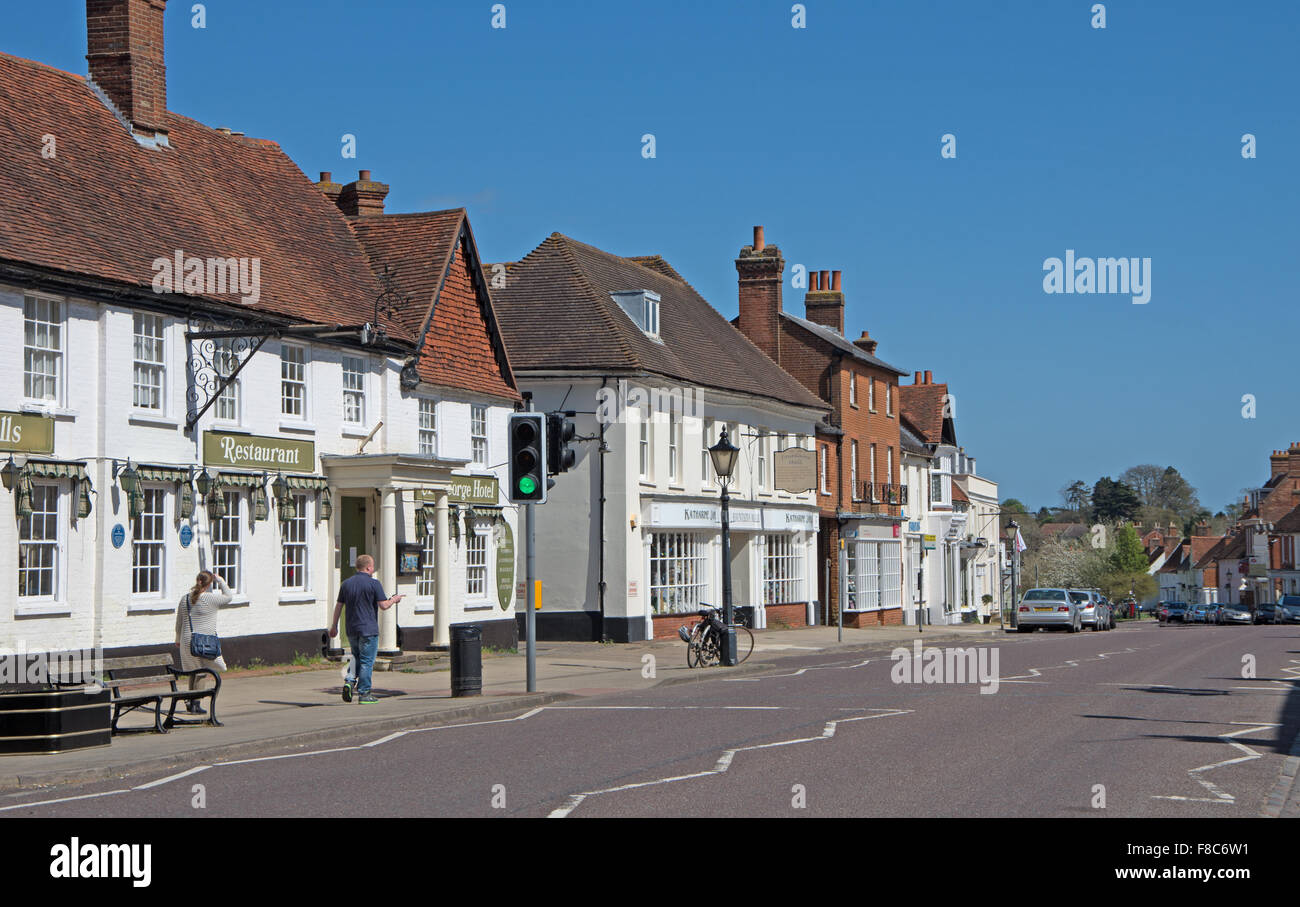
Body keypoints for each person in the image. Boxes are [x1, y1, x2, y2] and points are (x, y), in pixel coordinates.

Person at [329, 554, 404, 704]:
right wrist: (394, 600)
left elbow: (338, 606)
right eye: (372, 566)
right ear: (368, 567)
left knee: (355, 658)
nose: (373, 569)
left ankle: (349, 682)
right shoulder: (374, 584)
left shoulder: (346, 584)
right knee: (366, 662)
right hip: (368, 629)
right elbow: (384, 605)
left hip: (351, 628)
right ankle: (364, 693)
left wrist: (334, 626)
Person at [175, 570, 231, 714]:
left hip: (187, 639)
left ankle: (191, 701)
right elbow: (228, 597)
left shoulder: (185, 599)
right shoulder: (210, 599)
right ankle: (196, 704)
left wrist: (177, 638)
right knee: (202, 672)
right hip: (204, 641)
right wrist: (221, 581)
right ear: (209, 583)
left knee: (193, 671)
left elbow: (179, 622)